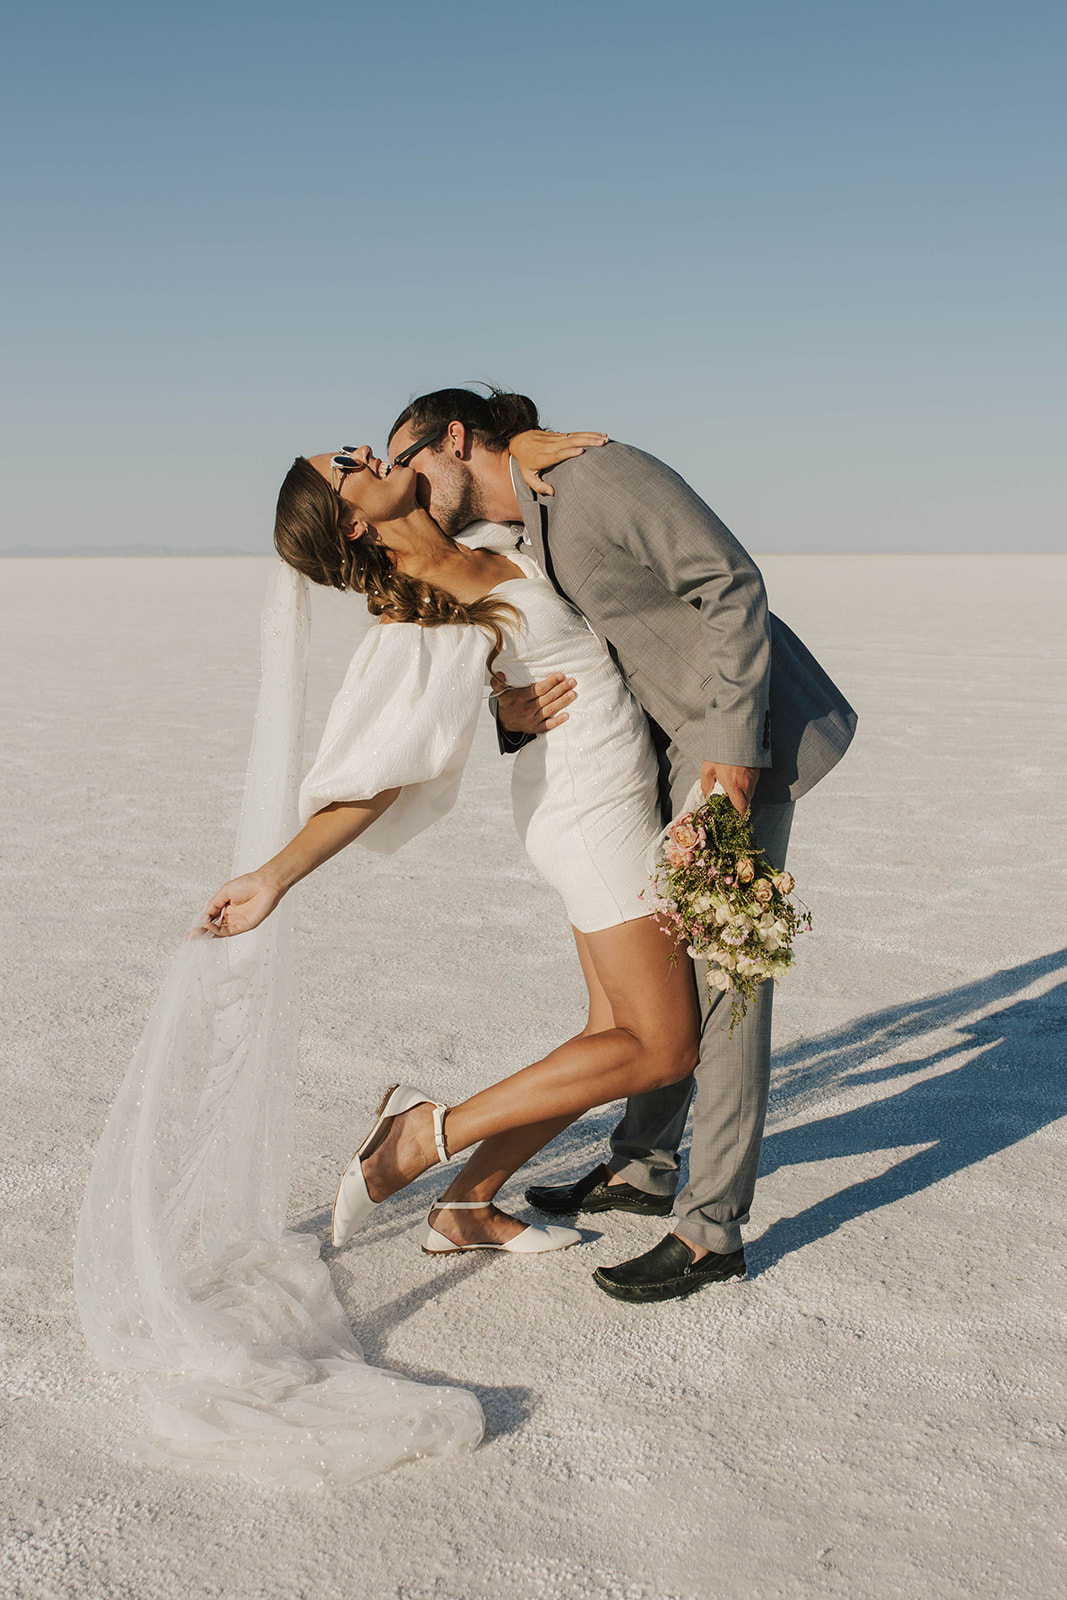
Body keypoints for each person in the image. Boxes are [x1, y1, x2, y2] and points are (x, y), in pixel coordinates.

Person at [384, 387, 857, 1303]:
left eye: (406, 458)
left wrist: (730, 753)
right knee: (665, 976)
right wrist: (505, 713)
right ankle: (643, 1166)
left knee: (727, 986)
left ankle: (711, 1229)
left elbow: (728, 583)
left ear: (451, 438)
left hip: (735, 745)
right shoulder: (511, 525)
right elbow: (554, 651)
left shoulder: (596, 475)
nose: (402, 481)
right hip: (658, 760)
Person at [204, 417, 703, 1263]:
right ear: (353, 523)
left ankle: (467, 1204)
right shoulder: (420, 618)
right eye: (348, 468)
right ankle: (420, 1137)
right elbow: (376, 774)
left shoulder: (478, 537)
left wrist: (527, 445)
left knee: (607, 1036)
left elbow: (503, 490)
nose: (365, 453)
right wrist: (273, 876)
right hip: (589, 814)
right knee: (662, 1047)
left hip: (601, 788)